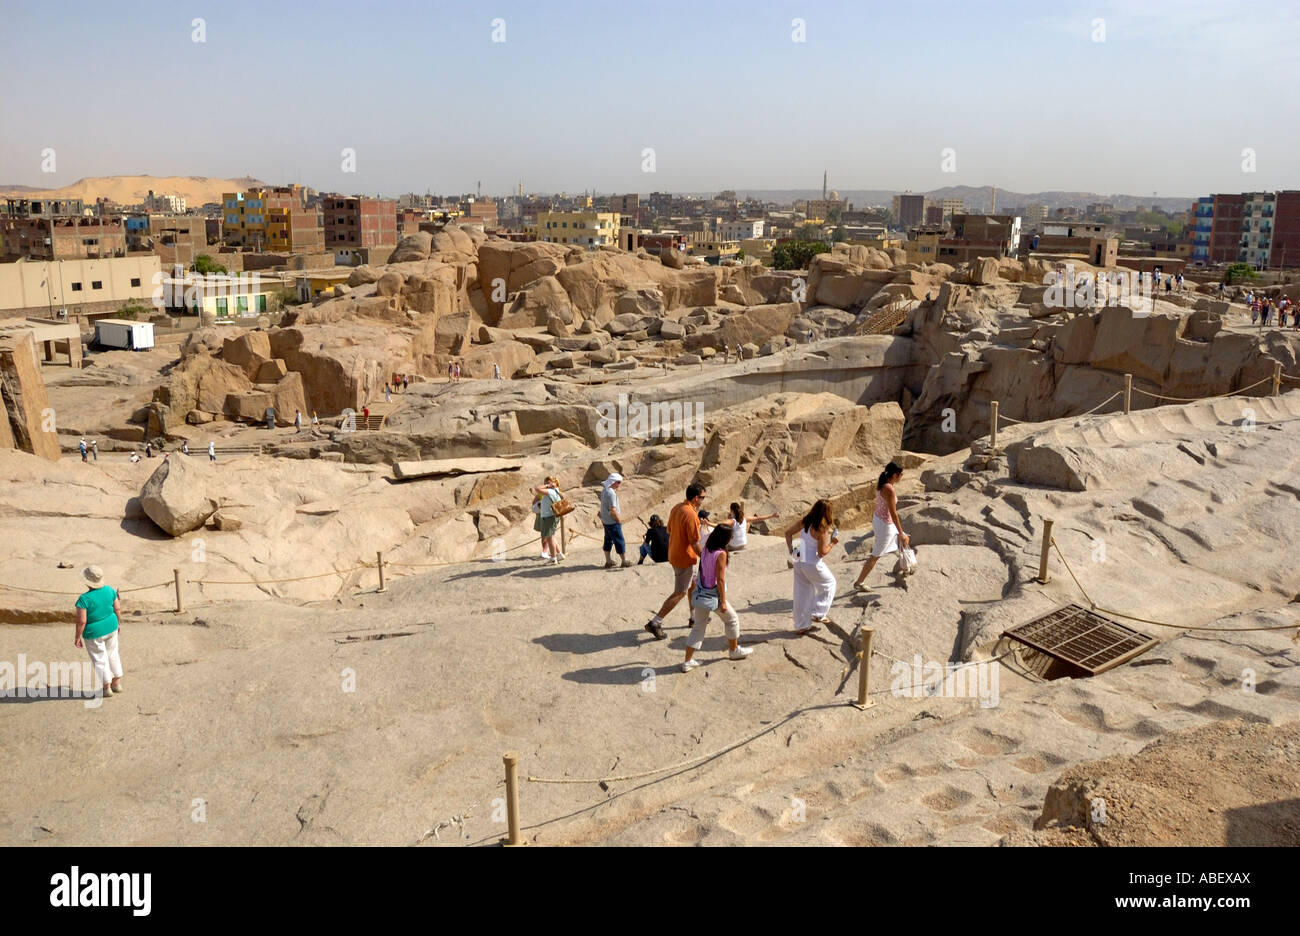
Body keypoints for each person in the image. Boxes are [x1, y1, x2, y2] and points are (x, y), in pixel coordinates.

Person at [682, 523, 752, 672]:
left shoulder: (706, 548)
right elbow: (720, 579)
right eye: (730, 537)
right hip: (714, 595)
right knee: (732, 619)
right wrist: (723, 601)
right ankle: (734, 650)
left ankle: (687, 661)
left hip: (702, 593)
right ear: (725, 539)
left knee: (698, 627)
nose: (731, 539)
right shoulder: (721, 553)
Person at [645, 482, 706, 640]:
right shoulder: (692, 515)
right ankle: (655, 622)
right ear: (695, 498)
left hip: (674, 554)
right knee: (680, 591)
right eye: (702, 498)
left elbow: (670, 530)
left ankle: (694, 618)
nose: (703, 501)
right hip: (684, 558)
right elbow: (694, 542)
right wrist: (707, 558)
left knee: (693, 585)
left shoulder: (676, 508)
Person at [854, 462, 911, 589]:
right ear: (895, 475)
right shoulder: (889, 489)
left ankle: (907, 568)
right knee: (875, 555)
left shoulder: (884, 483)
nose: (902, 476)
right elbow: (893, 513)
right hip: (886, 524)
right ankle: (859, 583)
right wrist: (900, 531)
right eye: (901, 474)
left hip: (879, 520)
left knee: (905, 540)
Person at [785, 499, 838, 635]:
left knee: (801, 592)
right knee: (829, 583)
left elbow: (788, 533)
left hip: (799, 554)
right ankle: (818, 613)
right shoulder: (822, 529)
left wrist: (791, 549)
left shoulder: (805, 521)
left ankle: (802, 625)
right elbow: (821, 553)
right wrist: (832, 543)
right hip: (811, 561)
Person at [74, 566, 122, 697]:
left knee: (99, 658)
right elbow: (117, 608)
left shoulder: (83, 599)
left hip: (93, 632)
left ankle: (106, 687)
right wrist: (118, 623)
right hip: (111, 626)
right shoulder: (110, 590)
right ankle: (116, 683)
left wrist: (77, 637)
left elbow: (82, 621)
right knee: (113, 653)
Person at [599, 473, 631, 570]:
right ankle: (624, 561)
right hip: (612, 522)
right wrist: (618, 520)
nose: (619, 484)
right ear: (613, 482)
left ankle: (608, 561)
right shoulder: (611, 493)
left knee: (608, 541)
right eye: (618, 482)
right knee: (619, 540)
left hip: (605, 521)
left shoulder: (605, 490)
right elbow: (613, 510)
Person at [533, 476, 564, 564]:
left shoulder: (551, 491)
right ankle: (559, 554)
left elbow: (537, 488)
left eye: (547, 483)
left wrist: (548, 486)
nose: (545, 485)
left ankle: (553, 558)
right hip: (551, 516)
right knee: (551, 537)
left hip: (549, 517)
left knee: (550, 538)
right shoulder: (556, 491)